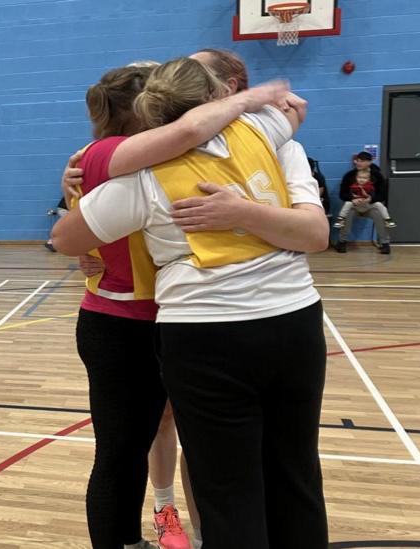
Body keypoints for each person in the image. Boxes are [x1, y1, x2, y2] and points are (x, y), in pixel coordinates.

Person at [52, 57, 329, 549]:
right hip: (139, 320)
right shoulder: (109, 157)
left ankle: (180, 520)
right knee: (132, 452)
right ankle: (161, 518)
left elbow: (66, 237)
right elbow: (287, 110)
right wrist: (256, 99)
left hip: (195, 326)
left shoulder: (149, 166)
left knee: (217, 470)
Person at [334, 151, 394, 254]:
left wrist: (371, 199)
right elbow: (342, 194)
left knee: (379, 214)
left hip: (370, 205)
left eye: (362, 161)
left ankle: (385, 244)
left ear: (369, 162)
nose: (358, 163)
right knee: (346, 214)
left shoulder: (377, 176)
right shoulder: (349, 176)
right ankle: (342, 242)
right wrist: (352, 199)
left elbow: (383, 195)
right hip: (354, 205)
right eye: (357, 160)